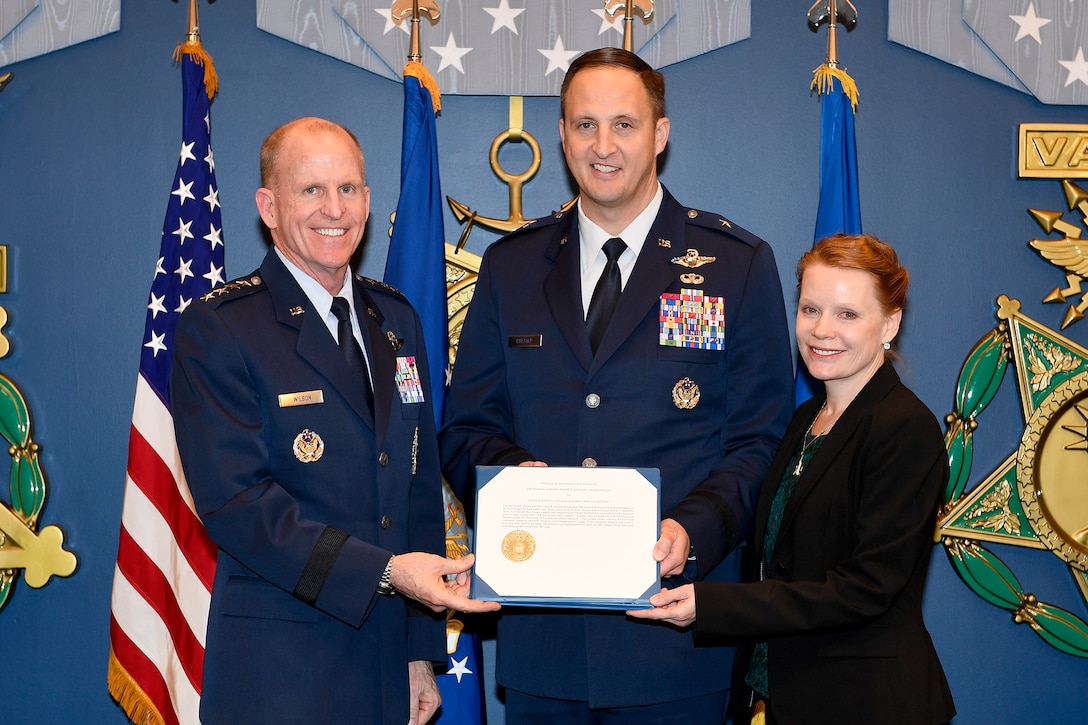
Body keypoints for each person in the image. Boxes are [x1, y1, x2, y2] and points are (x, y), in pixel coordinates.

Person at [440, 48, 795, 722]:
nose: (603, 146)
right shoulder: (511, 266)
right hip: (547, 643)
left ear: (660, 135)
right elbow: (466, 428)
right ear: (563, 136)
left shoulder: (733, 265)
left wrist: (694, 528)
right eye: (584, 125)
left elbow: (760, 439)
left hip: (674, 637)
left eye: (625, 125)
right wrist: (520, 479)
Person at [170, 116, 499, 725]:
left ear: (369, 202)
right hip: (283, 668)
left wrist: (419, 652)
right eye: (311, 191)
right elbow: (238, 505)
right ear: (268, 205)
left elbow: (417, 488)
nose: (334, 209)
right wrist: (388, 573)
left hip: (386, 664)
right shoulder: (220, 328)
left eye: (348, 189)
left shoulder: (395, 319)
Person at [630, 233, 956, 725]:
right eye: (810, 310)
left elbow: (864, 589)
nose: (822, 330)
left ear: (889, 324)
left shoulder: (904, 428)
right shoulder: (806, 417)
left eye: (848, 314)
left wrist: (713, 605)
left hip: (866, 704)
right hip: (779, 697)